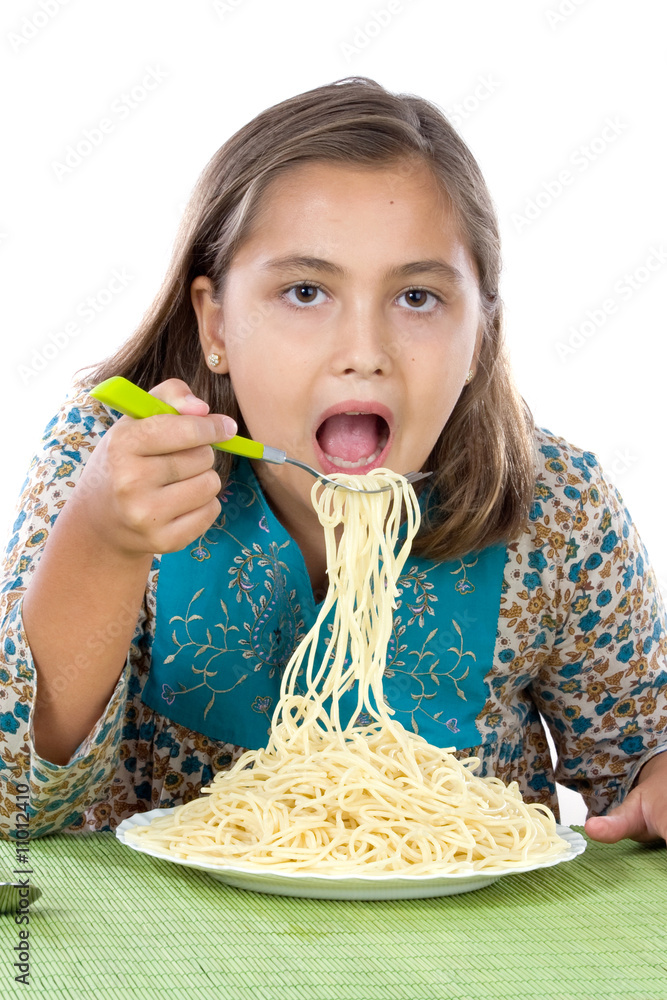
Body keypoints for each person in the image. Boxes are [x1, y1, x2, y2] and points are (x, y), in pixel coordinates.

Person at [1, 77, 665, 846]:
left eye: (416, 297)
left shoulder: (559, 506)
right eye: (306, 291)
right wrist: (102, 540)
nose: (362, 355)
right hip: (165, 951)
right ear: (215, 323)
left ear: (479, 334)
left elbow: (635, 761)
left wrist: (654, 776)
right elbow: (17, 804)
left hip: (471, 952)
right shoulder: (106, 461)